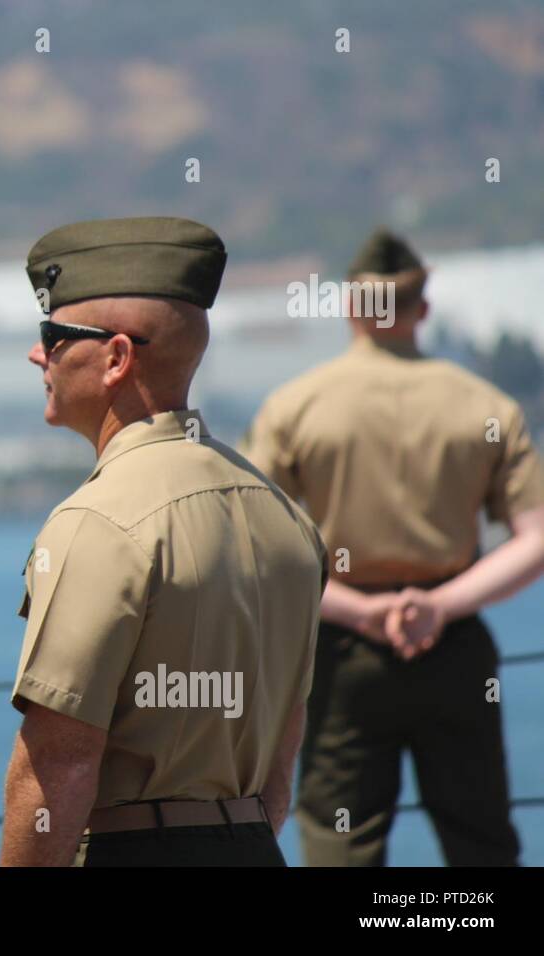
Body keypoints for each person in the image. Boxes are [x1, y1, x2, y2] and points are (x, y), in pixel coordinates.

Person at [0, 217, 328, 867]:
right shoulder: (286, 520)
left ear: (117, 357)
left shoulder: (97, 522)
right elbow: (281, 759)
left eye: (54, 338)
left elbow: (56, 768)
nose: (39, 355)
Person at [243, 228, 544, 866]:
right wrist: (438, 607)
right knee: (481, 839)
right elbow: (536, 542)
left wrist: (361, 612)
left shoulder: (295, 407)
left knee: (337, 839)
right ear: (423, 309)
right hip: (453, 644)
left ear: (350, 307)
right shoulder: (485, 406)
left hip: (340, 650)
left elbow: (259, 545)